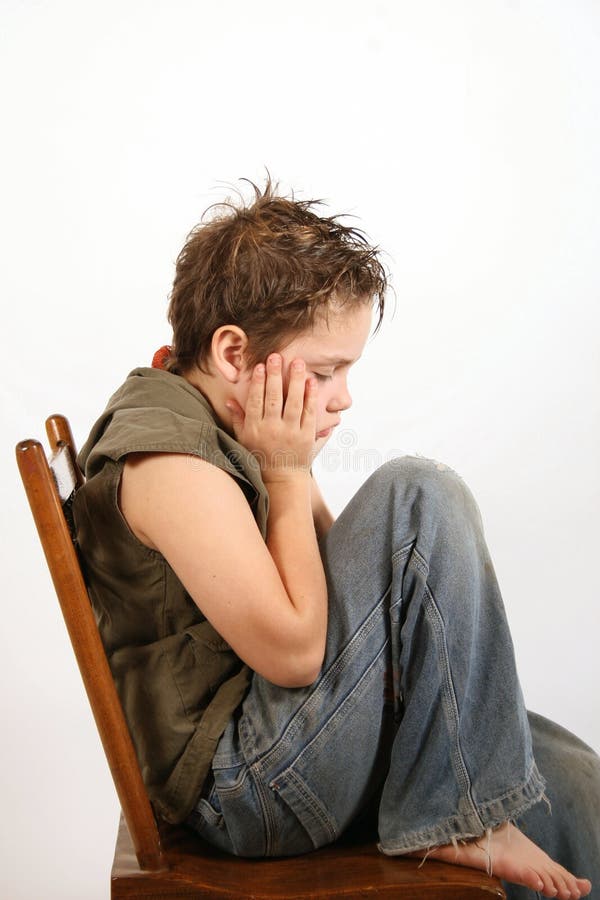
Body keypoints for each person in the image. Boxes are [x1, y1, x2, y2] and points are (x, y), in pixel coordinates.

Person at [73, 178, 598, 898]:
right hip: (245, 787)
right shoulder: (168, 461)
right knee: (417, 492)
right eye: (325, 371)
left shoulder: (213, 424)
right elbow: (293, 653)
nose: (343, 395)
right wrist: (287, 475)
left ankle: (474, 810)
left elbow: (330, 566)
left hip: (278, 746)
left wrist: (290, 470)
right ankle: (461, 818)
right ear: (233, 355)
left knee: (560, 768)